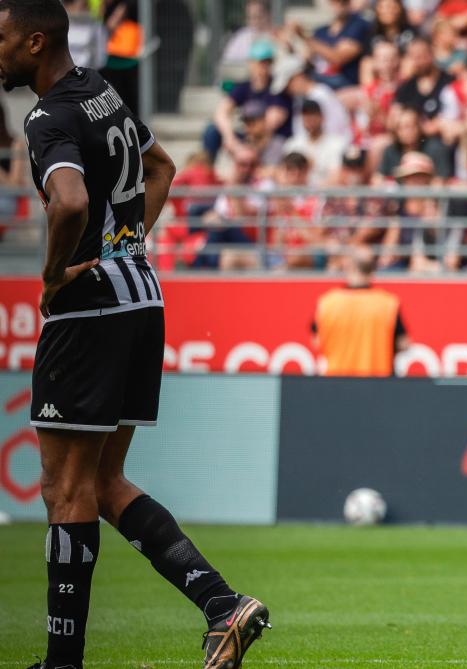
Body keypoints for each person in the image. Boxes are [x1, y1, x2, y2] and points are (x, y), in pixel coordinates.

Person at [0, 2, 269, 669]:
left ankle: (63, 662)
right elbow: (163, 168)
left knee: (64, 486)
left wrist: (55, 272)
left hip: (88, 309)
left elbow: (70, 201)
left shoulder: (48, 115)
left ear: (35, 43)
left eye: (0, 39)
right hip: (141, 296)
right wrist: (127, 243)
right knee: (102, 478)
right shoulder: (101, 91)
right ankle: (220, 602)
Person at [313, 245, 409, 377]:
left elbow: (317, 341)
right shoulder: (387, 303)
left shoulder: (328, 302)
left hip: (336, 382)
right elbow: (403, 343)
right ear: (372, 270)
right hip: (376, 383)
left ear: (348, 266)